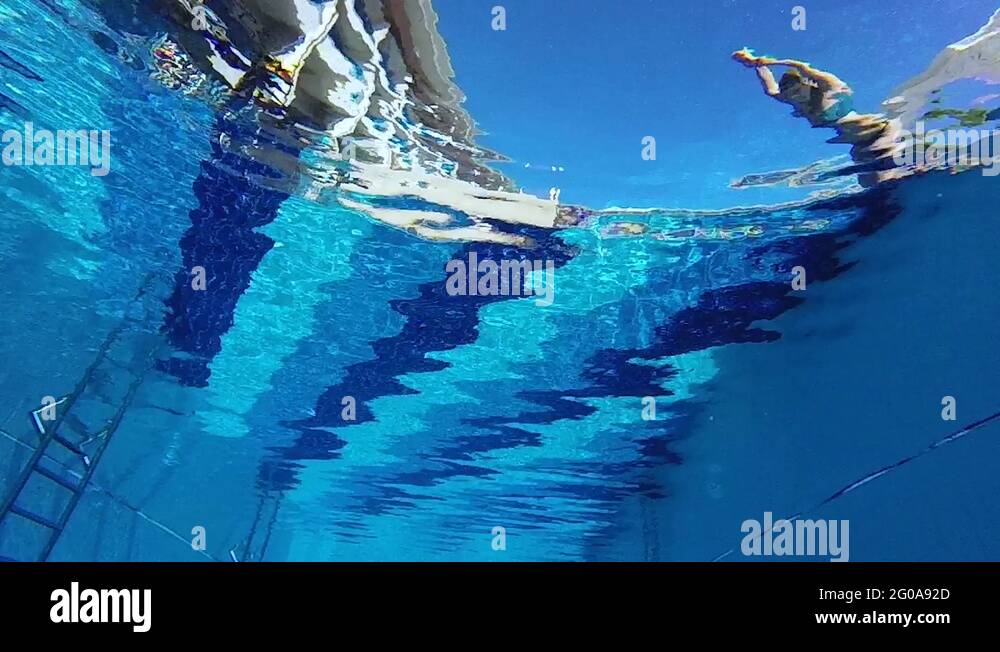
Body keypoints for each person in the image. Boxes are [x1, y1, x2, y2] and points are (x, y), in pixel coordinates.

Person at [732, 48, 905, 186]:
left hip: (882, 133)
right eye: (790, 94)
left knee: (888, 181)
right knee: (870, 186)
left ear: (807, 84)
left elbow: (803, 67)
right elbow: (771, 90)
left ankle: (913, 167)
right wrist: (755, 65)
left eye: (797, 91)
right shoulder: (794, 100)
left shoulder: (830, 88)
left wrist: (772, 61)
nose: (795, 97)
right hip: (859, 146)